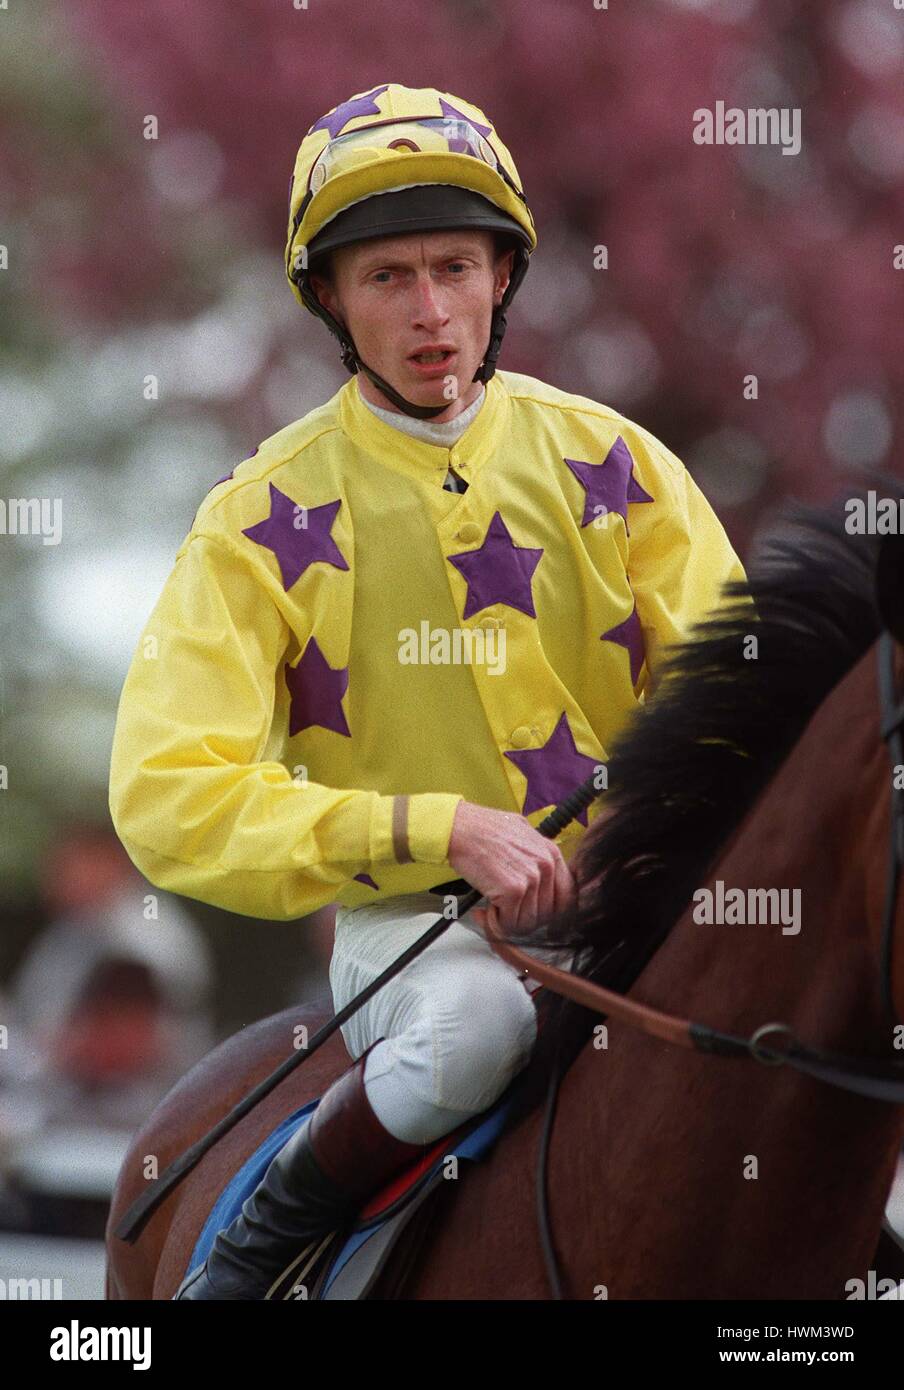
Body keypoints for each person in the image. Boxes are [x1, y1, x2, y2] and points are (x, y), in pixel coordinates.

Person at [108, 84, 747, 1299]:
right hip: (423, 933)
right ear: (330, 301)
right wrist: (436, 831)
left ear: (503, 277)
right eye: (386, 277)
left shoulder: (620, 466)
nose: (429, 310)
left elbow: (739, 712)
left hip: (642, 907)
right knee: (475, 1034)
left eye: (455, 266)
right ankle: (242, 1264)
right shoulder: (252, 521)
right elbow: (166, 795)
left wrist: (631, 859)